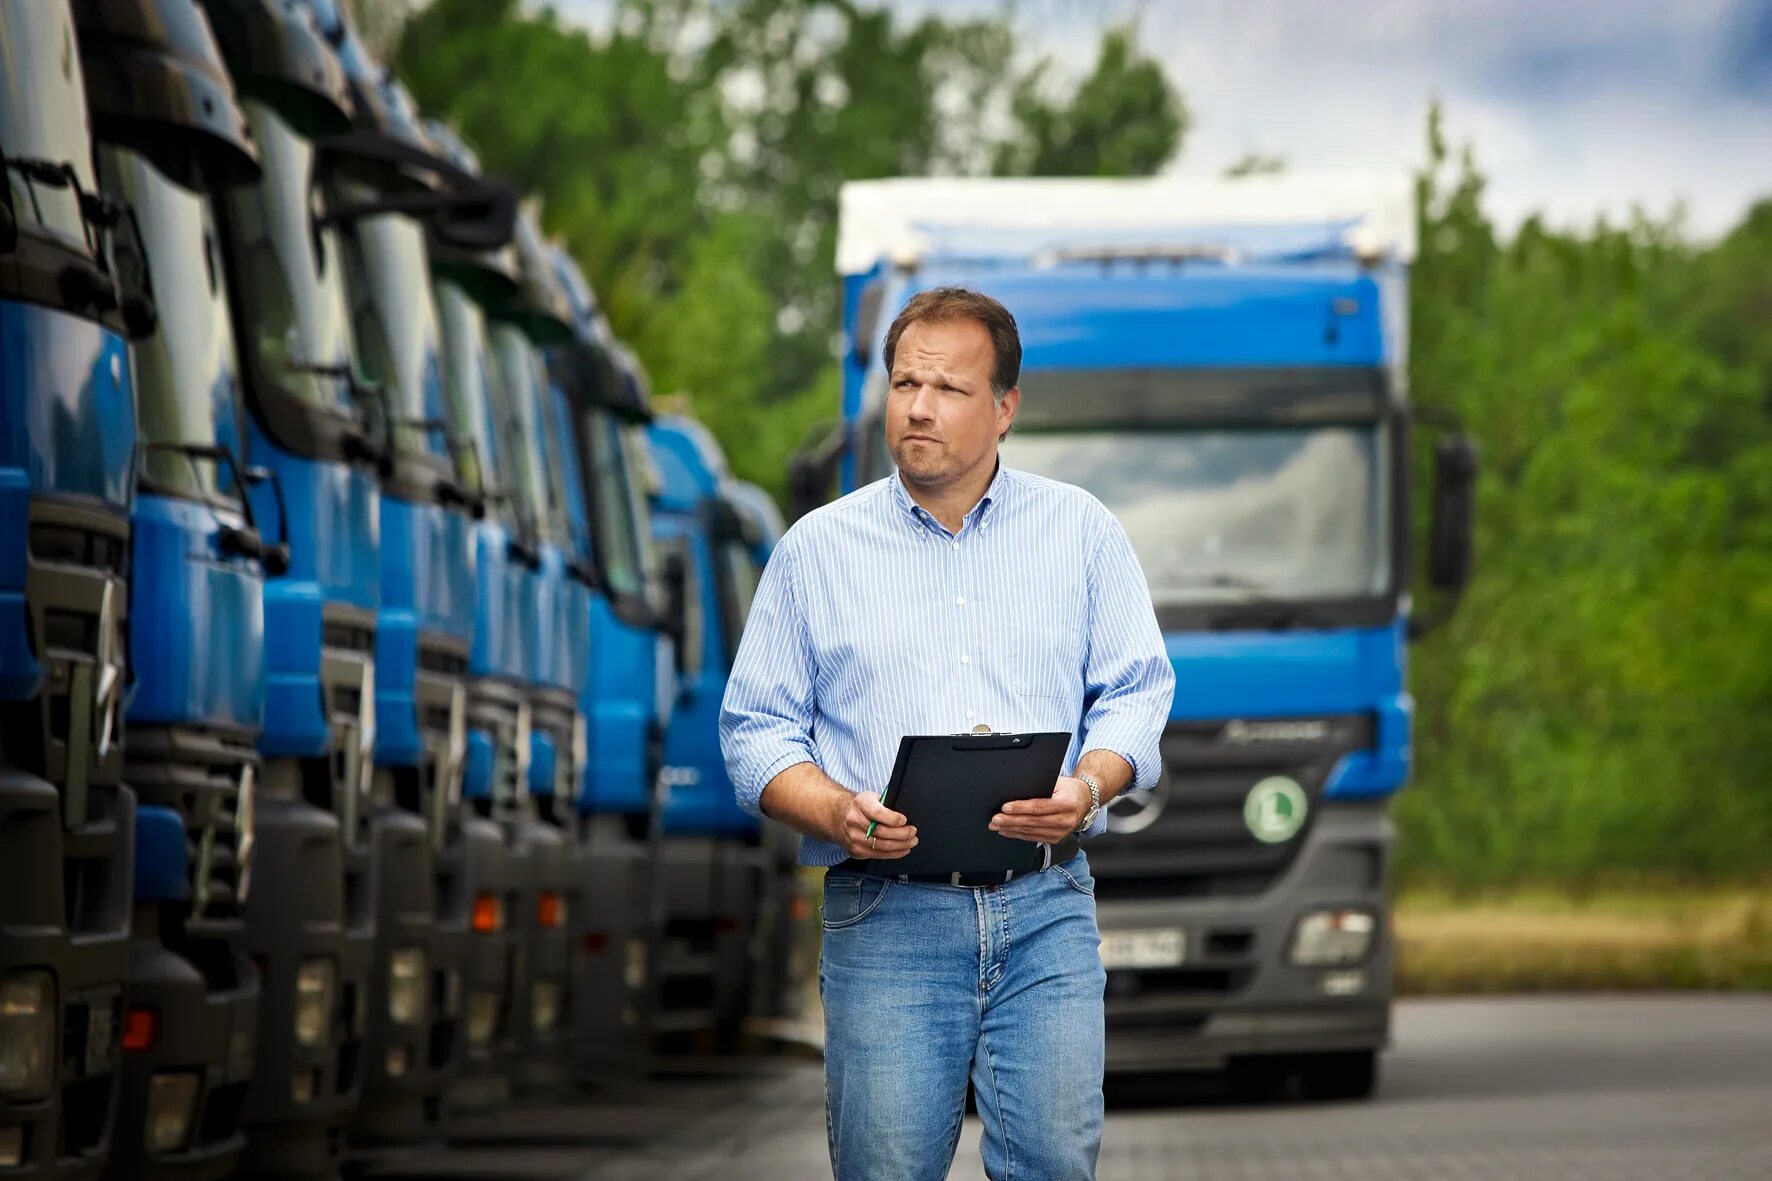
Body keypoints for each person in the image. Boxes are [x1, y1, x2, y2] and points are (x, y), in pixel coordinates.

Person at [720, 286, 1173, 1180]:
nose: (919, 406)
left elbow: (1136, 692)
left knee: (1052, 1164)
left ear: (1006, 407)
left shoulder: (1083, 535)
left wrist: (1088, 785)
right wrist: (833, 808)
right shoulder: (816, 550)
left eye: (949, 388)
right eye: (903, 383)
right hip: (886, 913)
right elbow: (755, 731)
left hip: (1046, 909)